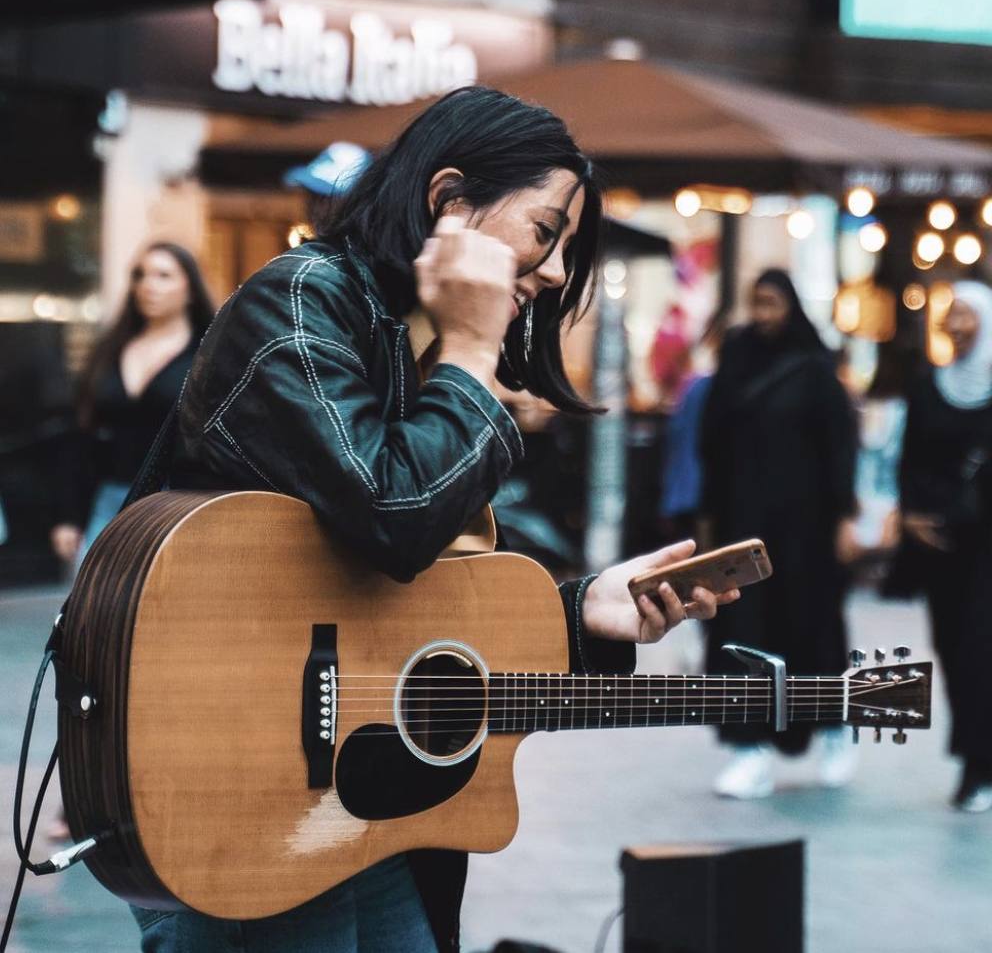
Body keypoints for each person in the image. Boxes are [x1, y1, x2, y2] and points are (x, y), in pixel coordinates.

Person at [139, 87, 739, 953]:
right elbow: (393, 515)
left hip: (352, 803)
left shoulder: (410, 343)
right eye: (545, 232)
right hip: (234, 789)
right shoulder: (303, 303)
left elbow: (404, 589)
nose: (559, 272)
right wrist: (468, 350)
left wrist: (584, 611)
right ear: (450, 200)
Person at [699, 269, 859, 799]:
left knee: (810, 626)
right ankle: (749, 750)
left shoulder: (814, 368)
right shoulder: (737, 357)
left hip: (804, 531)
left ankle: (835, 728)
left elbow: (839, 447)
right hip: (740, 524)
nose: (763, 314)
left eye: (772, 303)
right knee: (741, 631)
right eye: (756, 302)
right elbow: (712, 441)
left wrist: (842, 519)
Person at [50, 243, 214, 567]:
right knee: (94, 606)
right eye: (140, 275)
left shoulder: (208, 355)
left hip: (174, 502)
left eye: (163, 275)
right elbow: (81, 436)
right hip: (109, 499)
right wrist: (68, 516)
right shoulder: (110, 349)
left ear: (191, 289)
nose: (148, 285)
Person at [894, 280, 992, 813]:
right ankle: (972, 753)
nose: (955, 326)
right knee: (953, 649)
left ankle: (980, 764)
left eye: (966, 316)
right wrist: (909, 516)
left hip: (986, 545)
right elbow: (910, 458)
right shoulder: (929, 384)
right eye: (950, 316)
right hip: (940, 545)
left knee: (982, 650)